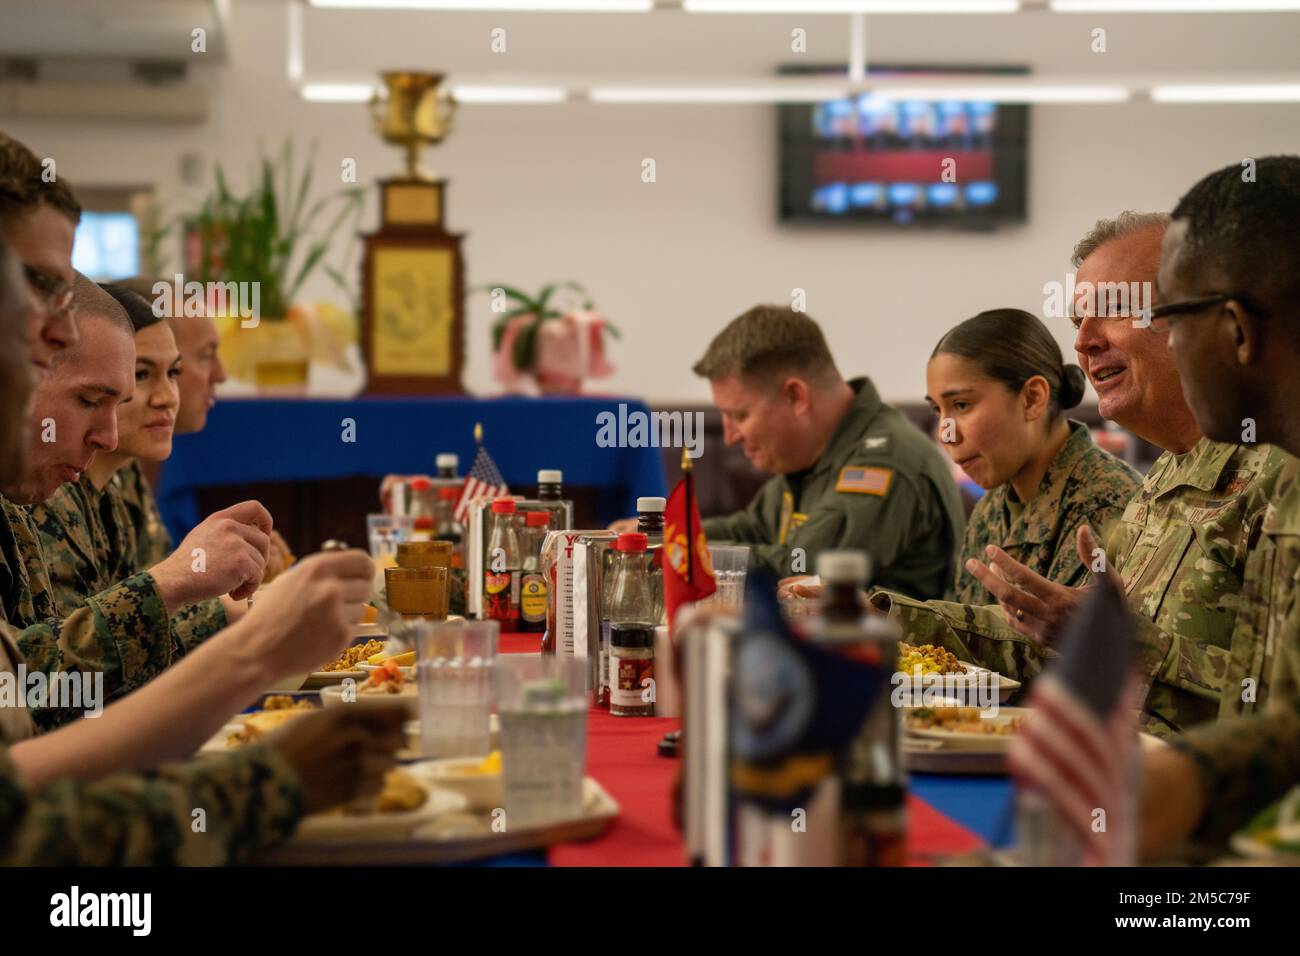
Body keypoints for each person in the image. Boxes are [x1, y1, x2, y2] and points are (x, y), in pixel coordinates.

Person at [0, 233, 406, 865]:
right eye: (136, 378)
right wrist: (226, 625)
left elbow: (34, 722)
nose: (193, 385)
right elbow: (48, 700)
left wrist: (242, 616)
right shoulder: (41, 485)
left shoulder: (82, 477)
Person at [873, 213, 1291, 737]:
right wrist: (876, 615)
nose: (1084, 342)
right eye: (1077, 322)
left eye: (1114, 310)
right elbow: (1052, 646)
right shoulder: (1167, 477)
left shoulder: (1282, 476)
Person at [1134, 156, 1300, 856]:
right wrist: (1193, 780)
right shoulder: (1287, 483)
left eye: (1170, 318)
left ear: (1235, 328)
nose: (1168, 345)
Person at [677, 304, 965, 597]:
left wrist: (681, 554)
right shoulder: (811, 454)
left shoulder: (885, 462)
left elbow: (805, 571)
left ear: (795, 396)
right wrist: (662, 535)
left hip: (898, 643)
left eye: (740, 416)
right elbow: (751, 530)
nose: (729, 437)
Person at [31, 282, 233, 660]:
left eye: (173, 373)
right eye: (142, 375)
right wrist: (228, 609)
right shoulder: (41, 486)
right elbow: (55, 667)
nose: (166, 396)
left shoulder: (117, 480)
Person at [116, 275, 293, 579]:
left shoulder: (127, 470)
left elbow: (146, 597)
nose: (221, 375)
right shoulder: (70, 477)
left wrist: (228, 567)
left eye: (173, 372)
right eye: (205, 354)